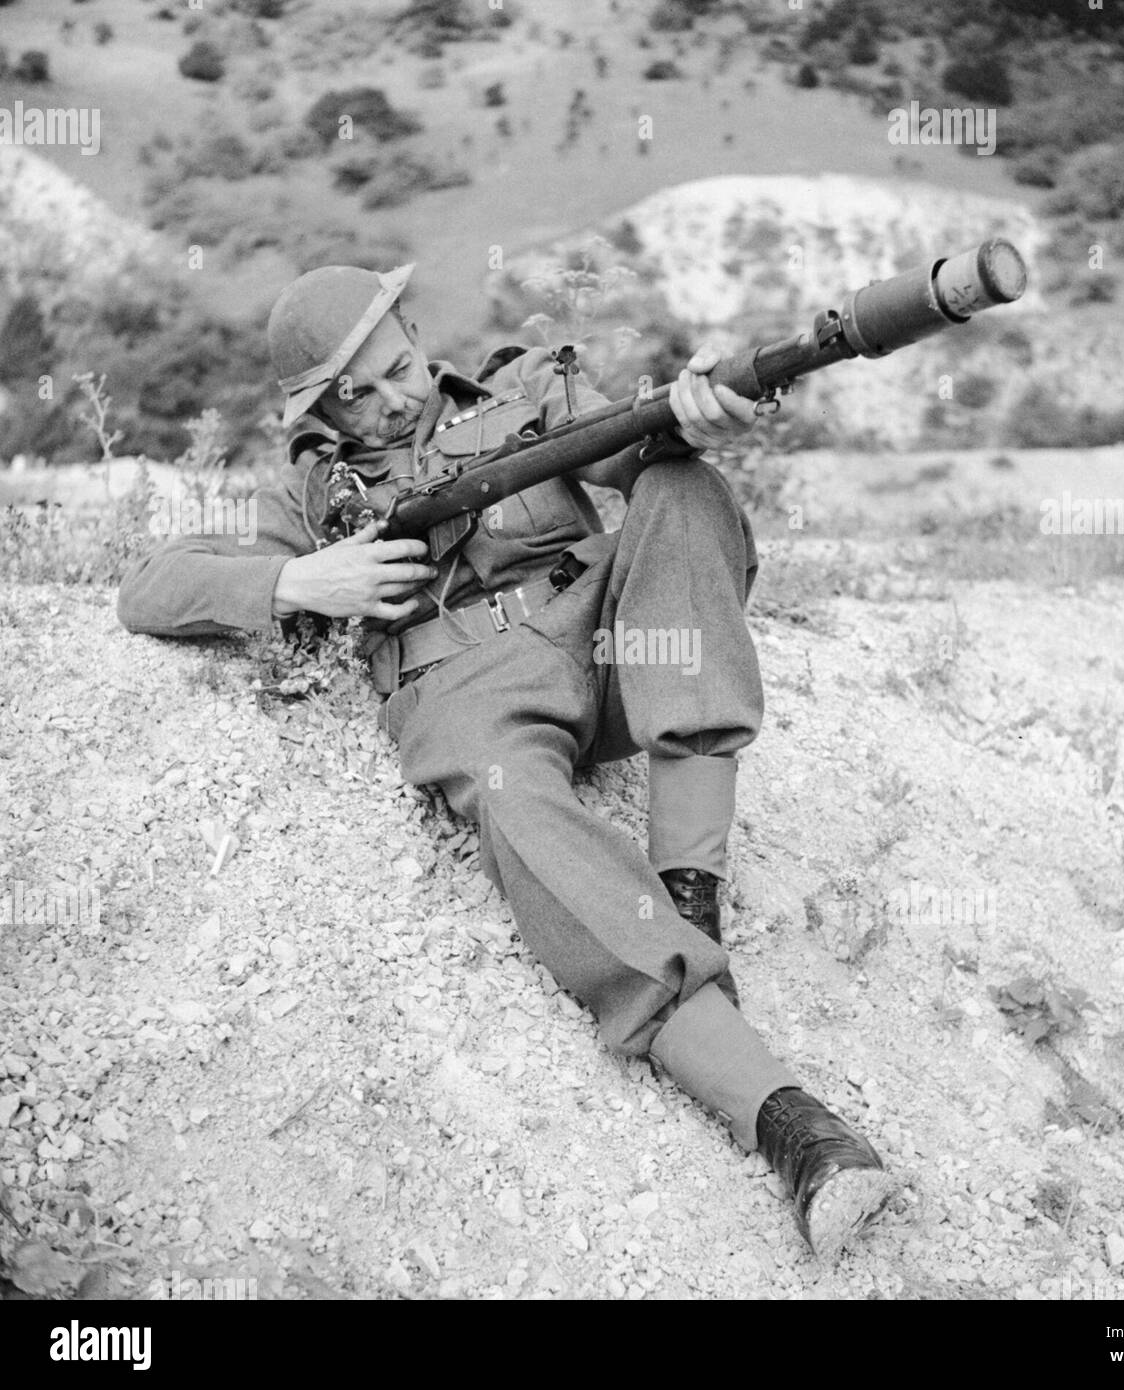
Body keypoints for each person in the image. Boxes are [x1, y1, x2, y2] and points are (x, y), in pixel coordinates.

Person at [117, 262, 891, 1259]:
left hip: (604, 640)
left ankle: (687, 888)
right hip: (465, 698)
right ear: (320, 409)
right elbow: (149, 589)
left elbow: (643, 440)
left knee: (682, 486)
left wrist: (698, 409)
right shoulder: (311, 502)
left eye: (396, 365)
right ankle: (794, 1126)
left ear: (411, 321)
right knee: (512, 801)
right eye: (356, 394)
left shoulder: (526, 393)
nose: (390, 400)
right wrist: (307, 577)